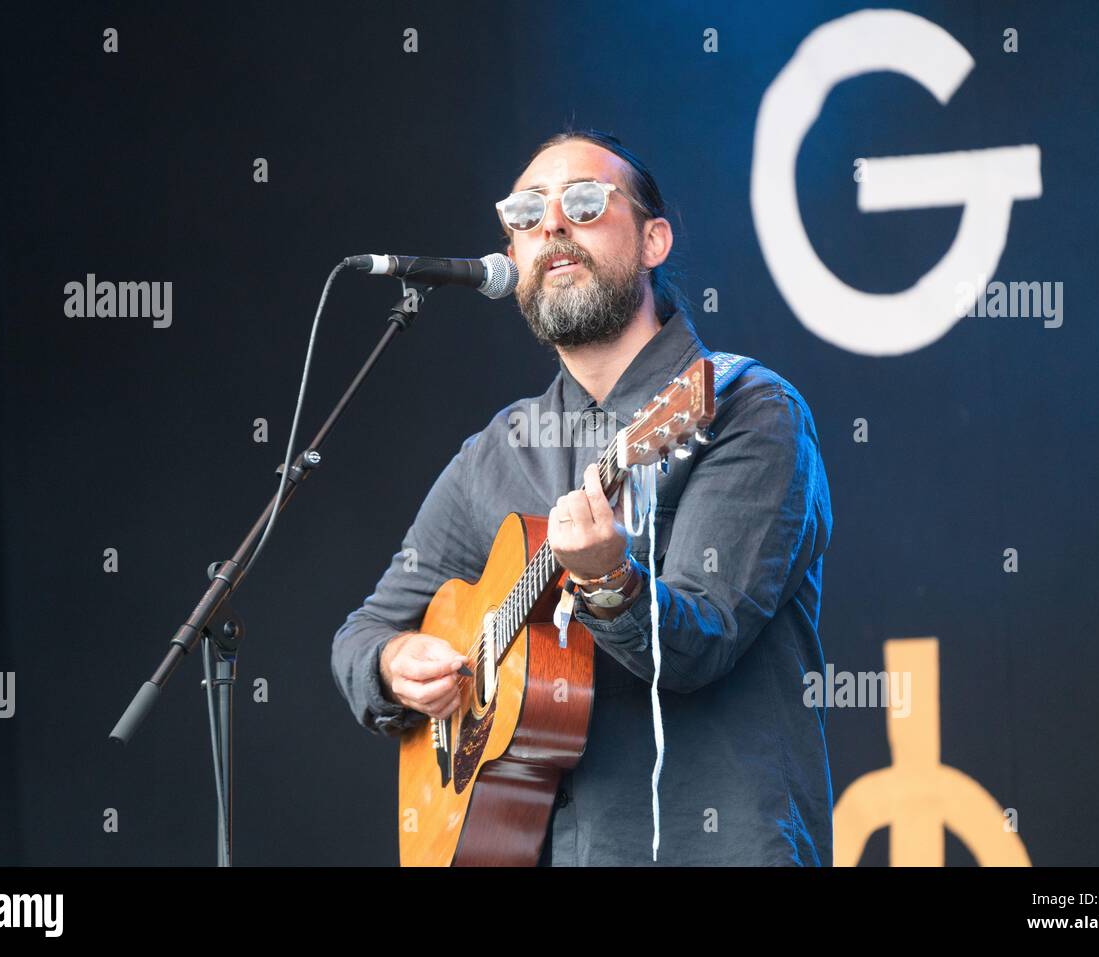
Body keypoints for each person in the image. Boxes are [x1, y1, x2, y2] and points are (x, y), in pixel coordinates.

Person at [331, 128, 834, 865]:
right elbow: (364, 631)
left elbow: (703, 643)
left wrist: (609, 579)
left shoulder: (742, 406)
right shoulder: (497, 453)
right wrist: (394, 661)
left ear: (654, 240)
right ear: (512, 260)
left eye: (586, 202)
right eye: (527, 214)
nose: (554, 225)